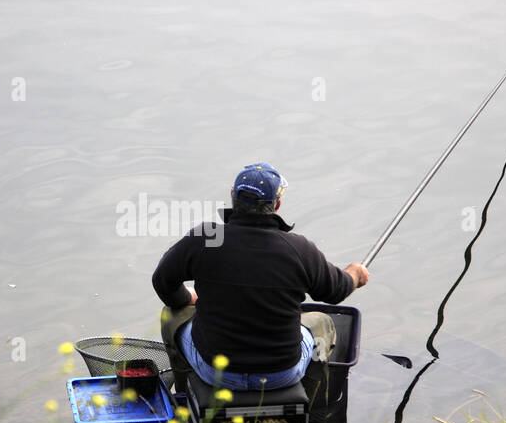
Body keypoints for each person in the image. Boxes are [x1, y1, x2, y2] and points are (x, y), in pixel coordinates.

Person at [152, 162, 370, 398]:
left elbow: (163, 281)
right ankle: (307, 411)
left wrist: (187, 297)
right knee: (322, 323)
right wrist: (355, 274)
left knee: (172, 314)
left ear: (233, 196)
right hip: (282, 372)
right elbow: (335, 291)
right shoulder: (299, 248)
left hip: (215, 370)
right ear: (277, 204)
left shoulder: (206, 238)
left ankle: (184, 398)